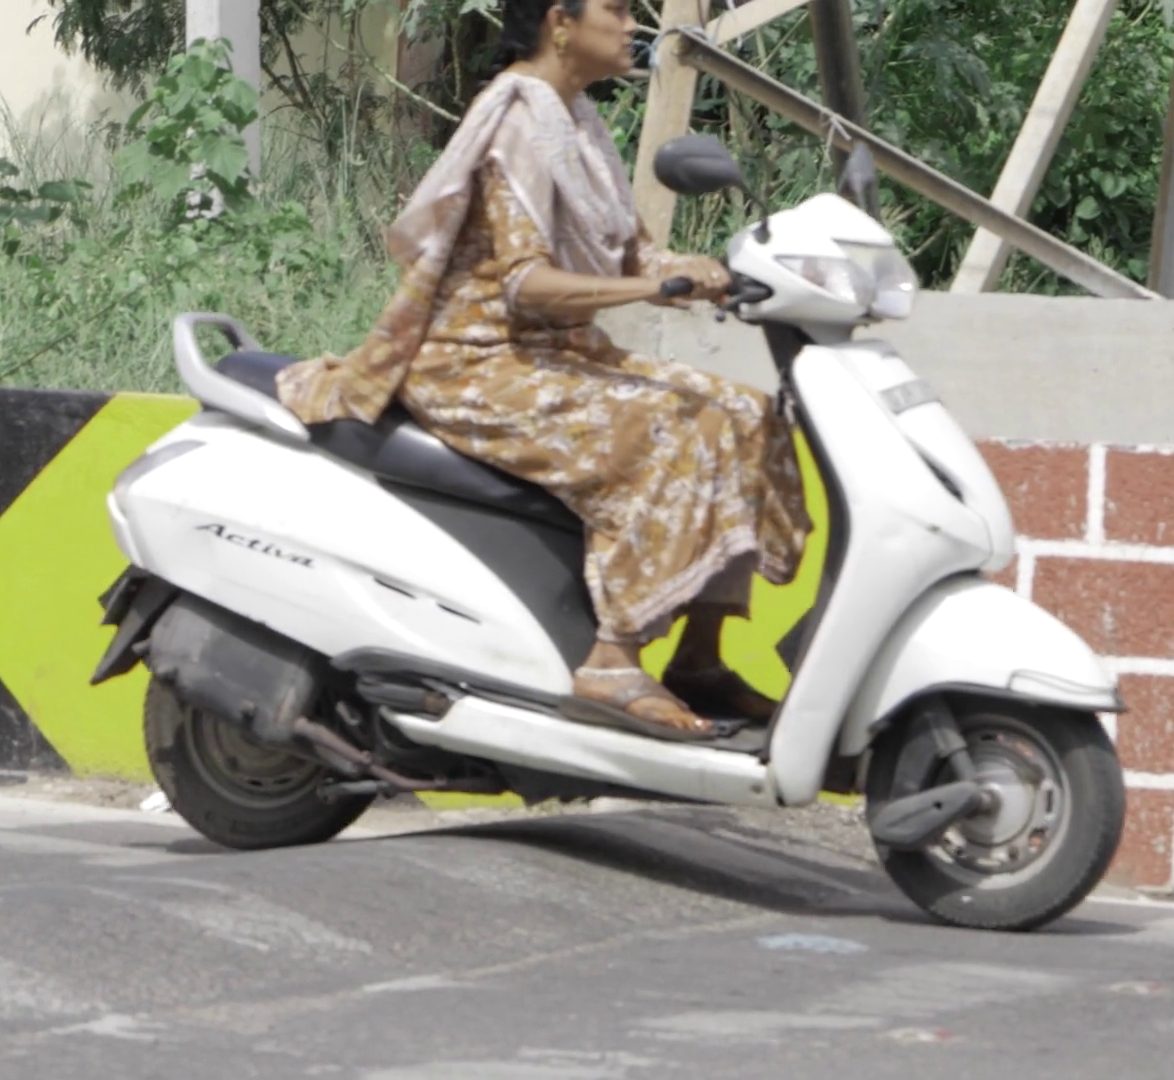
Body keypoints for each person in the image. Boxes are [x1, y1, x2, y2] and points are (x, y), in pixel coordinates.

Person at [273, 0, 813, 739]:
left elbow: (631, 250)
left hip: (555, 353)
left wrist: (696, 268)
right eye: (616, 9)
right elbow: (525, 284)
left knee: (746, 412)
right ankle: (612, 661)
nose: (632, 25)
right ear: (561, 22)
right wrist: (651, 287)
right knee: (666, 428)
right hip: (477, 362)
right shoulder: (517, 121)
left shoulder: (577, 119)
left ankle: (698, 657)